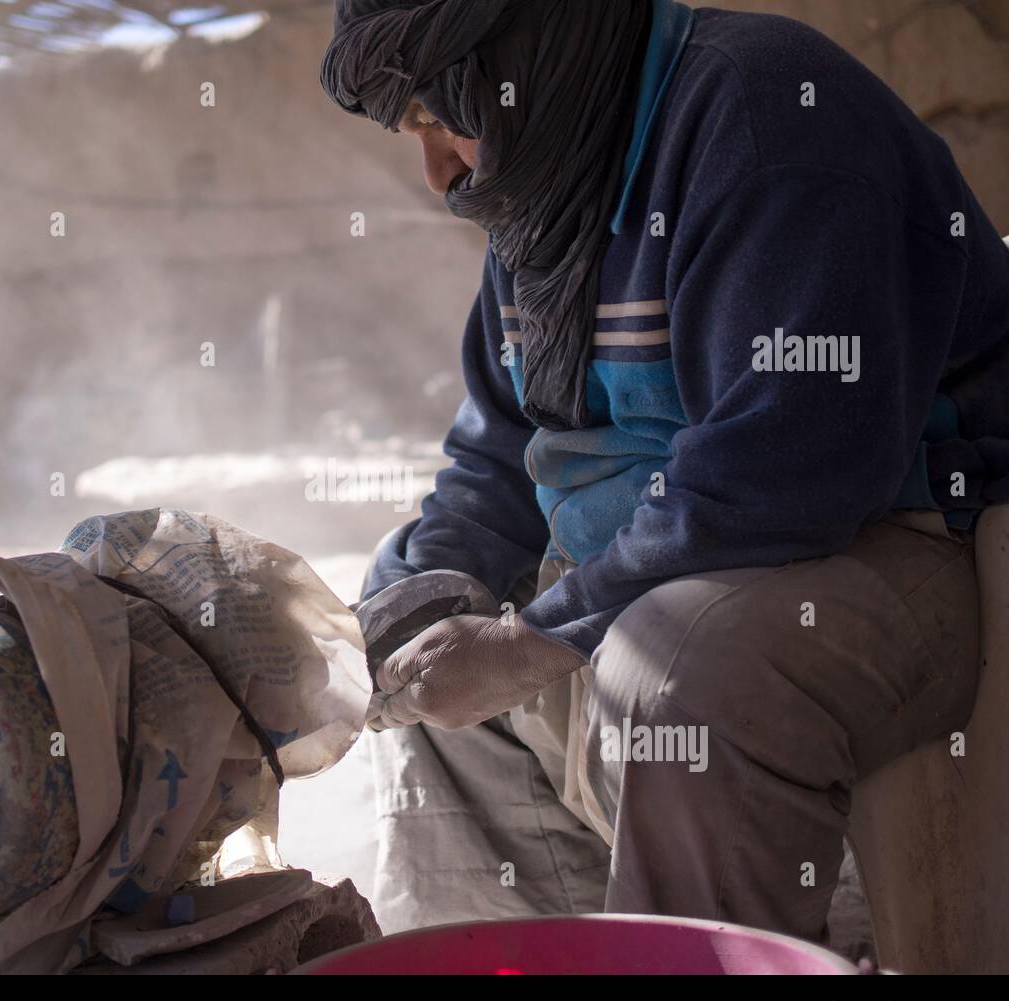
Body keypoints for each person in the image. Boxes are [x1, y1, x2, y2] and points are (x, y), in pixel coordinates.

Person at [320, 0, 1009, 943]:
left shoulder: (766, 117)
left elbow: (788, 469)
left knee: (683, 675)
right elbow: (496, 457)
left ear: (527, 52)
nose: (436, 170)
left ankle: (701, 960)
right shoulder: (546, 181)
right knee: (435, 694)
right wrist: (412, 602)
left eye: (442, 118)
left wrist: (534, 642)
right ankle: (564, 960)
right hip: (668, 559)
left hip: (910, 538)